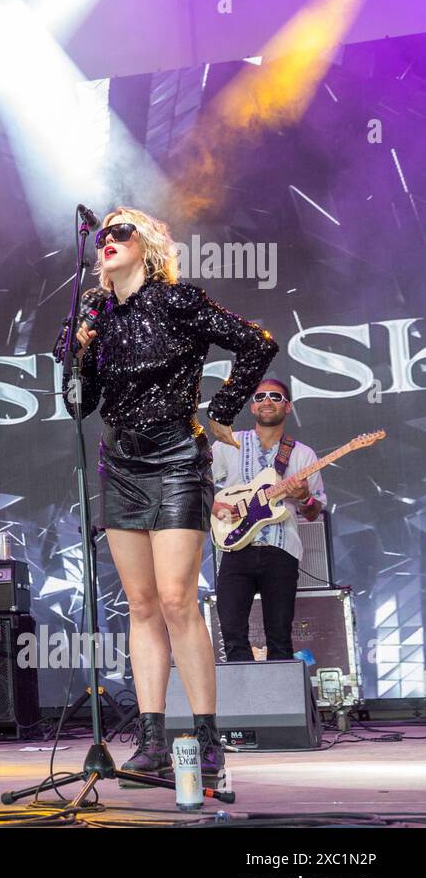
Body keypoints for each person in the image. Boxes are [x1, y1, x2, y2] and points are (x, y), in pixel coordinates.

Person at [63, 208, 278, 785]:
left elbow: (256, 344)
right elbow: (77, 403)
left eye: (119, 231)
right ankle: (153, 738)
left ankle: (209, 738)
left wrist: (223, 409)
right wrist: (79, 350)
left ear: (148, 243)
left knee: (178, 596)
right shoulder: (95, 315)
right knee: (140, 604)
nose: (106, 240)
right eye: (102, 234)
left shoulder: (178, 300)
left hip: (178, 459)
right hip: (122, 463)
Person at [211, 378, 326, 661]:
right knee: (232, 636)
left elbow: (313, 511)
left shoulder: (303, 454)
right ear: (252, 407)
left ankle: (284, 704)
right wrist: (215, 505)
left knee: (280, 639)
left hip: (281, 550)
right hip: (235, 548)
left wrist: (304, 497)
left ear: (287, 407)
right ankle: (244, 703)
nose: (267, 401)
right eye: (261, 396)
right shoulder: (229, 443)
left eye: (276, 397)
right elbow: (199, 484)